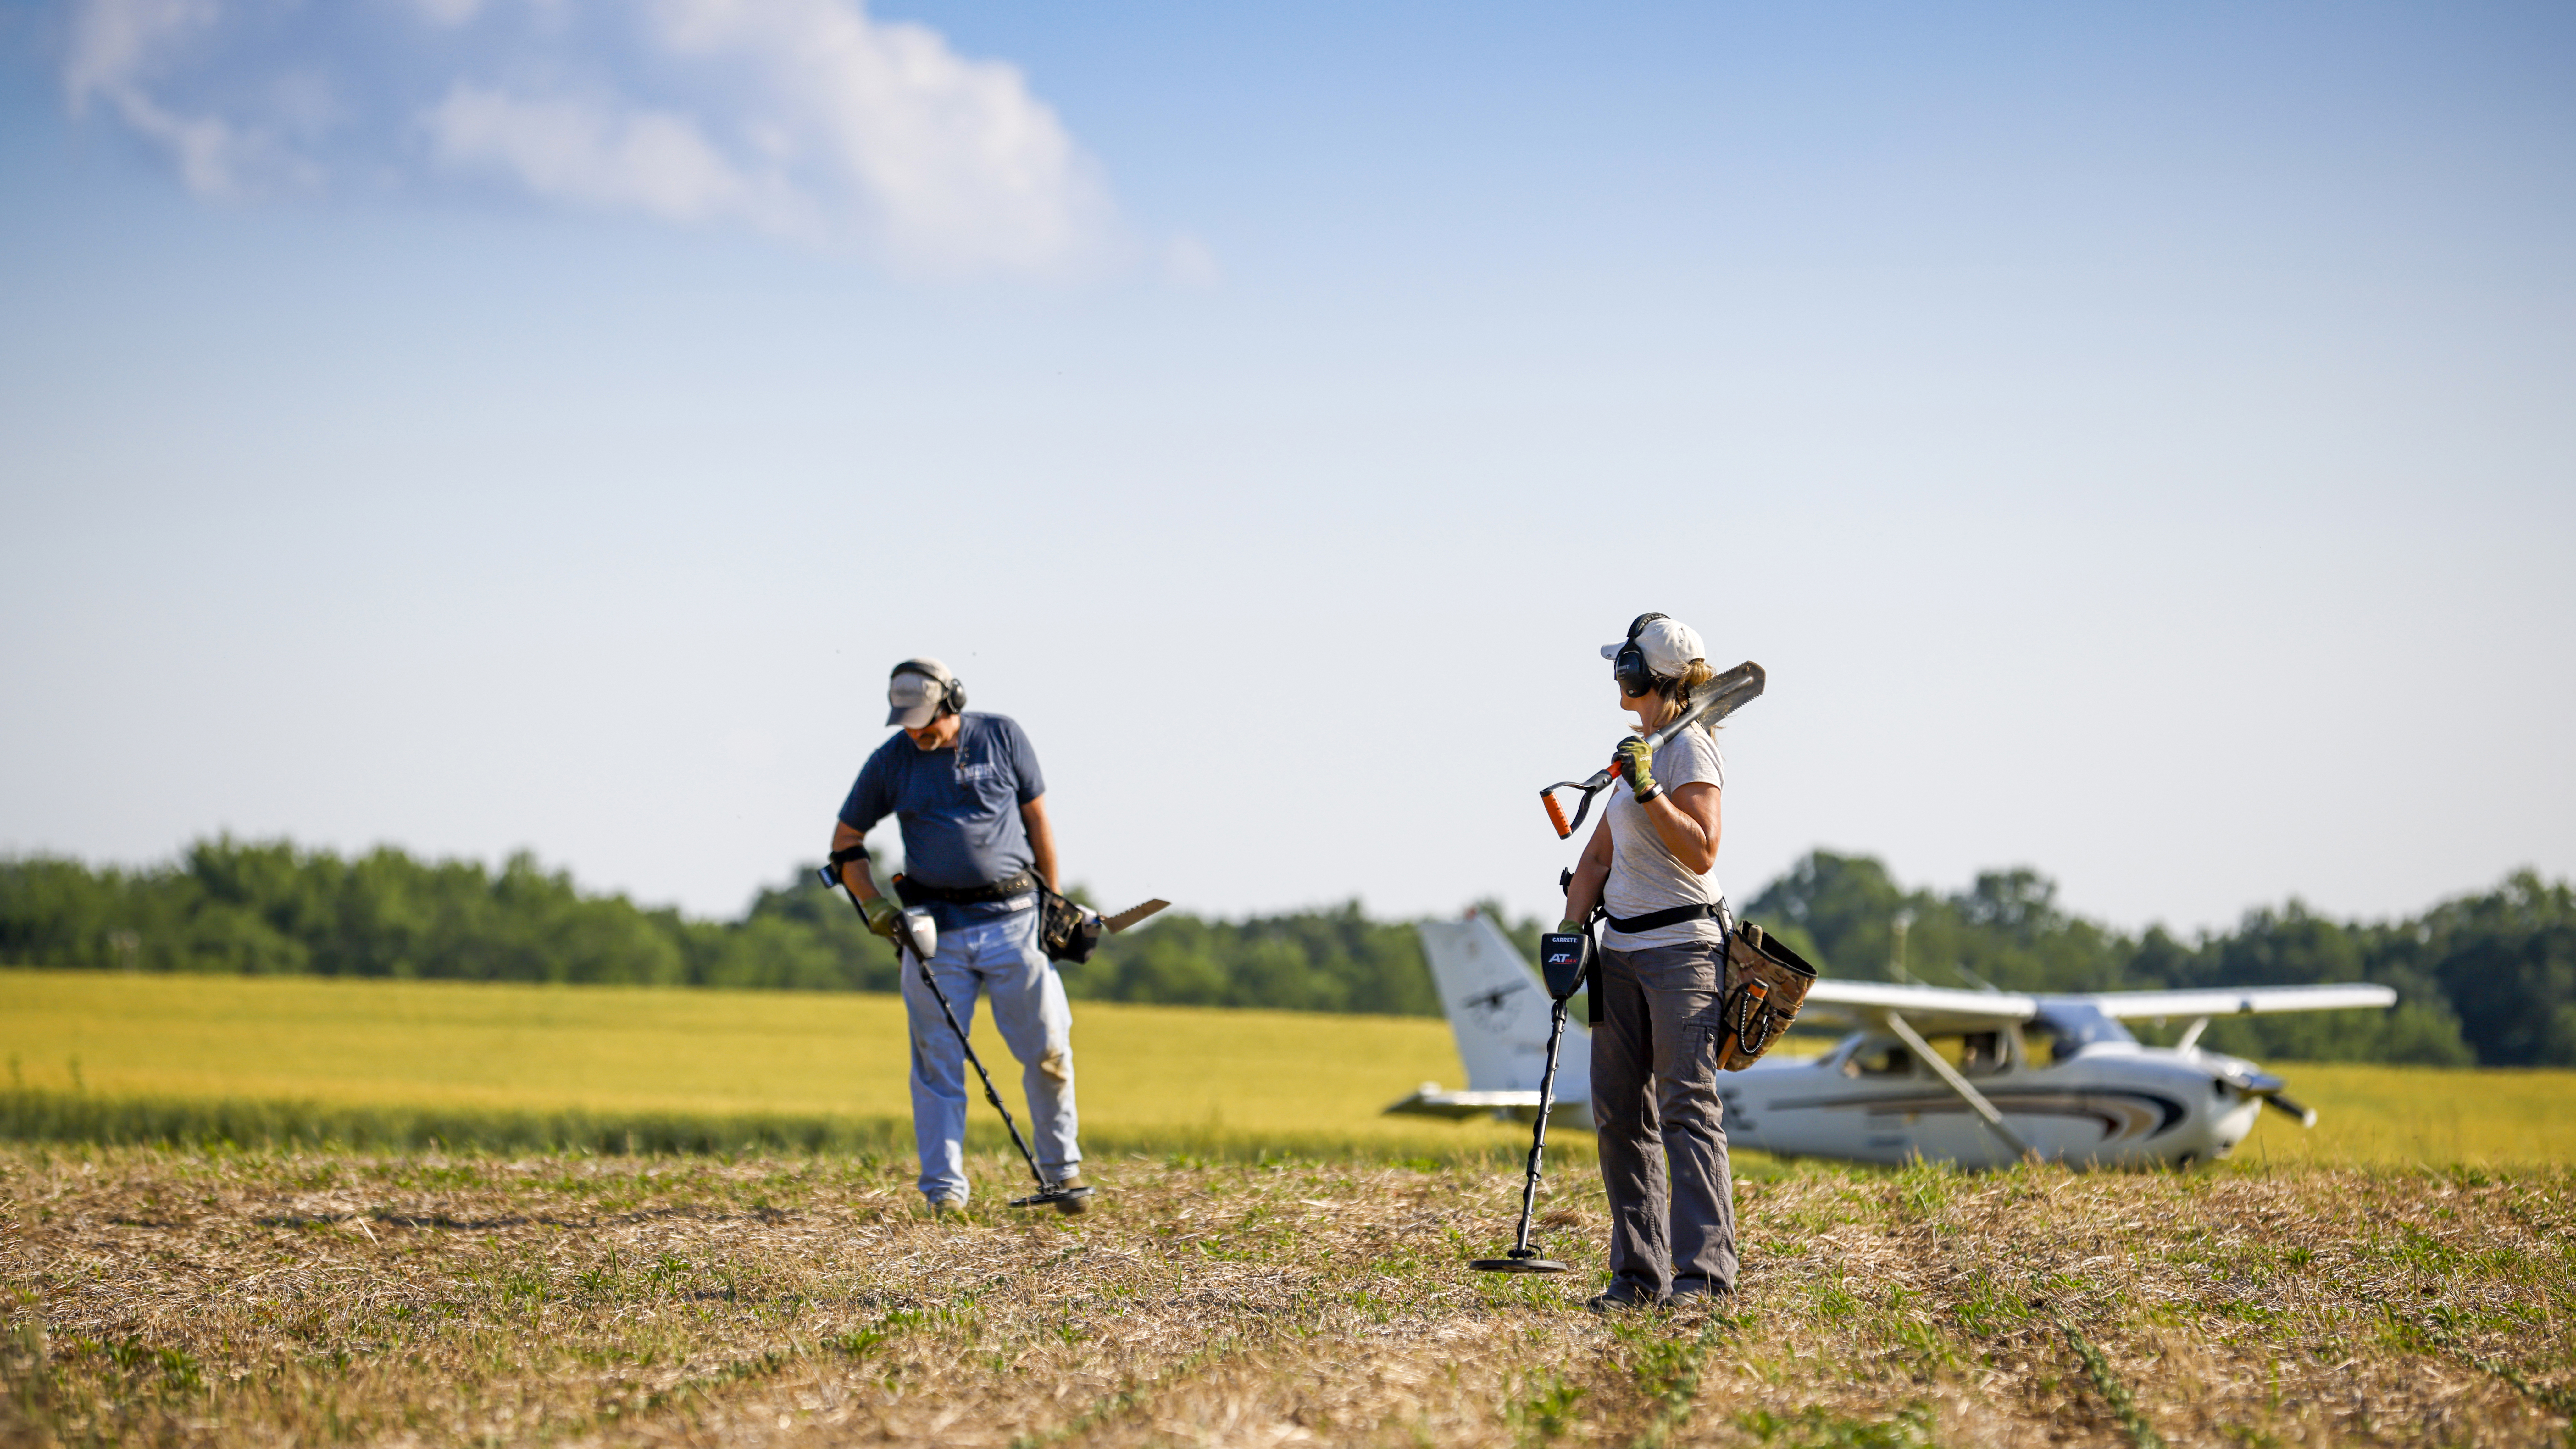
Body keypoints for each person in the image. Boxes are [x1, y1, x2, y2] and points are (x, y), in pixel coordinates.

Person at [828, 657, 1089, 1216]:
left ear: (954, 701)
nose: (916, 734)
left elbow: (1037, 820)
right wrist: (874, 907)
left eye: (925, 722)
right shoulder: (890, 761)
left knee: (1048, 1050)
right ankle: (945, 1192)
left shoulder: (1003, 737)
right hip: (933, 935)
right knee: (936, 1063)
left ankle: (1062, 1171)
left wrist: (1054, 899)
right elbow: (846, 841)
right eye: (907, 724)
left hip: (1015, 920)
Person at [1559, 613, 1735, 1311]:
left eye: (1623, 665)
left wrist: (1649, 789)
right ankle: (1637, 1279)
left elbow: (1702, 850)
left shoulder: (1688, 750)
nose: (1615, 677)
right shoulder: (1638, 751)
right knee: (1620, 1116)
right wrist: (1570, 932)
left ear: (1644, 673)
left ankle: (1704, 1281)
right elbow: (1598, 858)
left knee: (1686, 1109)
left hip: (1683, 951)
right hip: (1622, 953)